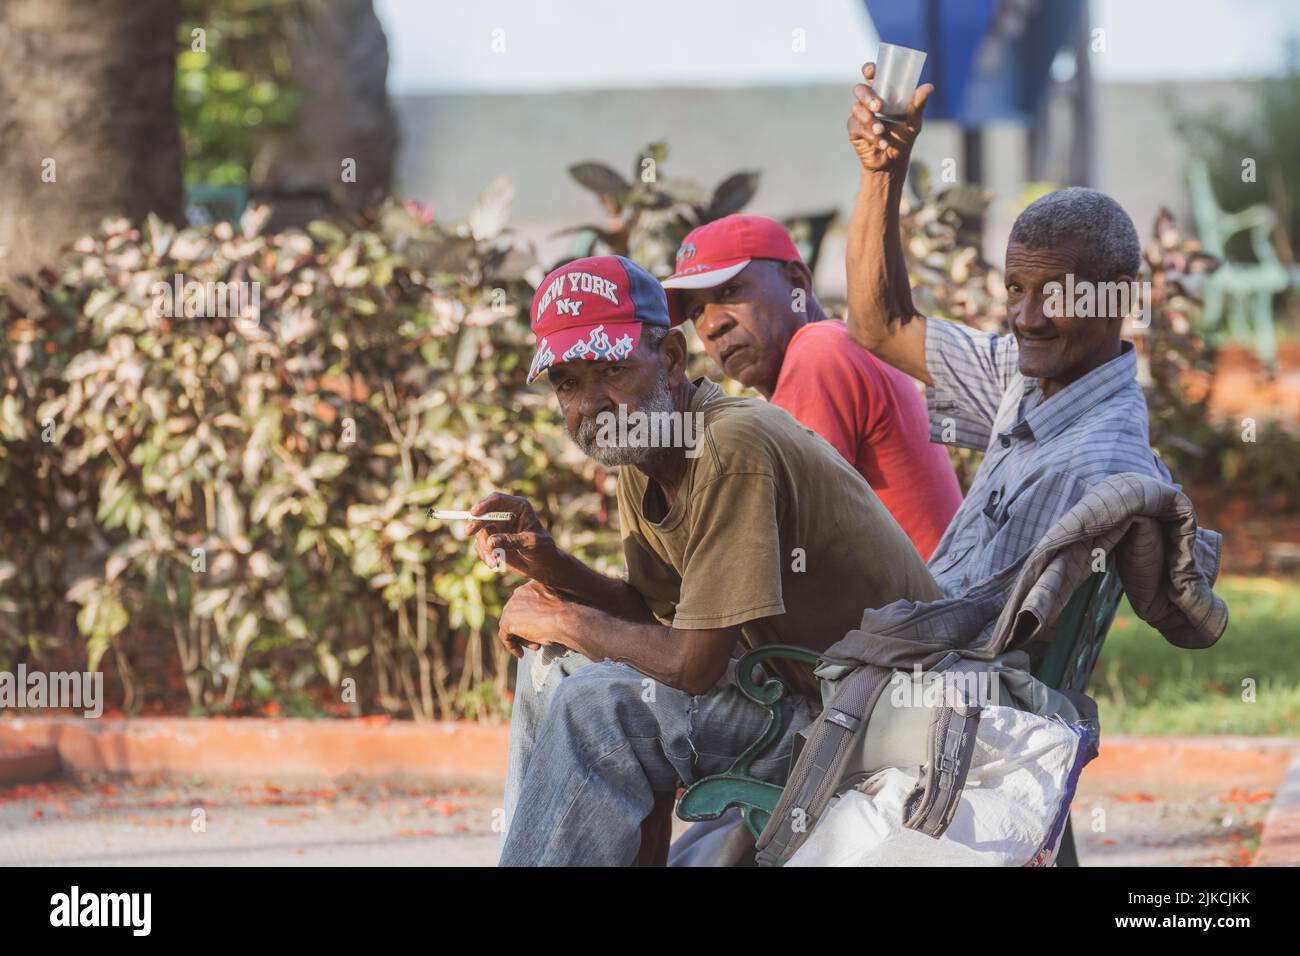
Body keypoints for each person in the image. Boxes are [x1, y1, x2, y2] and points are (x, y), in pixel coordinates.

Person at [474, 253, 940, 866]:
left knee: (598, 703)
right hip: (799, 691)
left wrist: (562, 617)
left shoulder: (728, 446)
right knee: (554, 666)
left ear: (669, 356)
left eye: (611, 370)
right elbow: (654, 618)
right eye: (568, 383)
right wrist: (549, 567)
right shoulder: (647, 446)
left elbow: (692, 664)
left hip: (871, 721)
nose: (592, 405)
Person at [844, 62, 1170, 605]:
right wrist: (884, 171)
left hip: (929, 665)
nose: (1027, 319)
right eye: (1016, 289)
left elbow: (981, 634)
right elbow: (880, 325)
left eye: (1058, 293)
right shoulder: (1028, 381)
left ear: (1122, 295)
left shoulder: (1089, 461)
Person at [663, 214, 962, 559]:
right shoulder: (835, 344)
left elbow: (776, 538)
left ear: (797, 281)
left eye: (730, 291)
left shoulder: (819, 350)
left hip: (918, 611)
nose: (713, 324)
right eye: (697, 311)